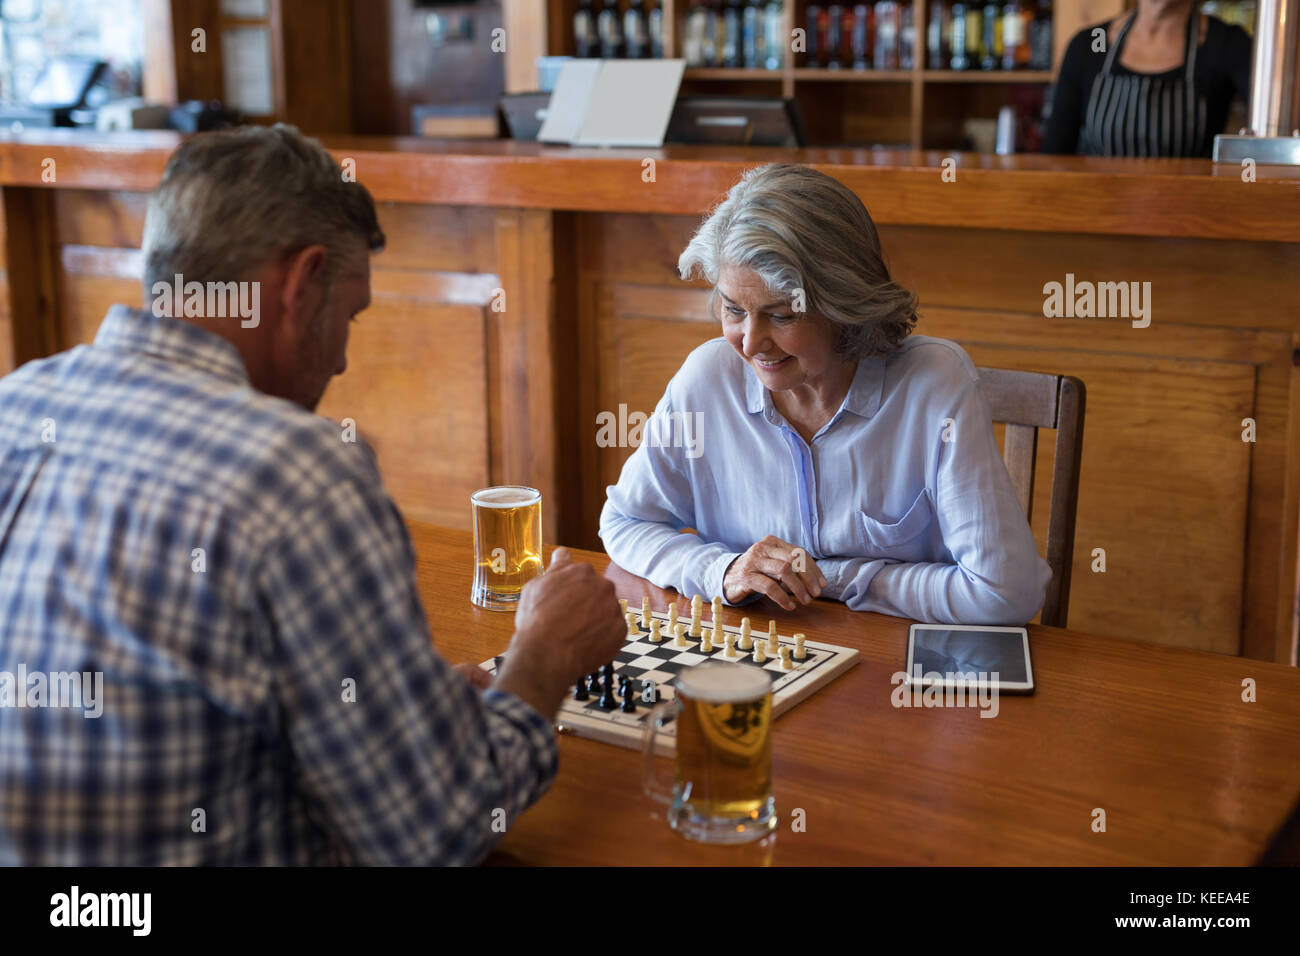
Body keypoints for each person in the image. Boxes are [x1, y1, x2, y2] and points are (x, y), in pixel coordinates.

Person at [0, 125, 625, 865]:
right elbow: (435, 831)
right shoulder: (296, 472)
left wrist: (400, 715)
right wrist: (545, 655)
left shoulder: (17, 403)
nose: (343, 358)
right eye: (350, 316)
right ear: (301, 284)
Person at [599, 163, 1051, 625]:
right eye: (734, 310)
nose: (750, 344)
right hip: (761, 663)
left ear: (844, 306)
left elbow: (1004, 592)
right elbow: (625, 523)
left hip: (892, 669)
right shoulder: (707, 380)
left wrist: (833, 578)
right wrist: (724, 570)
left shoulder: (935, 384)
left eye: (781, 316)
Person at [1042, 0, 1252, 157]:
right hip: (1100, 208)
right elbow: (1055, 154)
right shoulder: (1091, 42)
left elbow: (1271, 132)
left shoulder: (1228, 44)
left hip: (1188, 209)